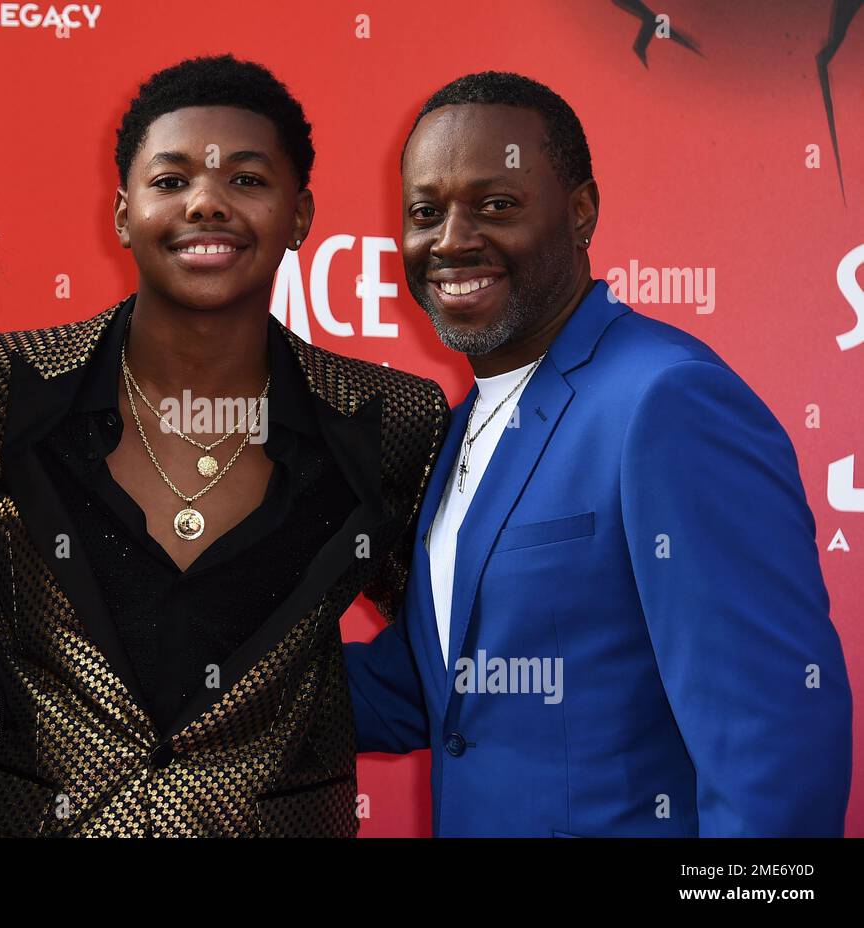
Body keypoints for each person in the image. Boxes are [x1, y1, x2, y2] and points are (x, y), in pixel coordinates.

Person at [0, 54, 448, 837]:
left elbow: (450, 648)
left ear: (300, 215)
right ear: (122, 213)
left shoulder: (391, 421)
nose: (207, 203)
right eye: (170, 182)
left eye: (246, 179)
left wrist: (312, 704)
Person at [345, 71, 853, 837]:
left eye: (496, 205)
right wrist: (182, 673)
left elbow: (772, 745)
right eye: (426, 211)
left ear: (581, 212)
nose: (450, 239)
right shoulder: (461, 427)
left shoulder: (668, 402)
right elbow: (442, 686)